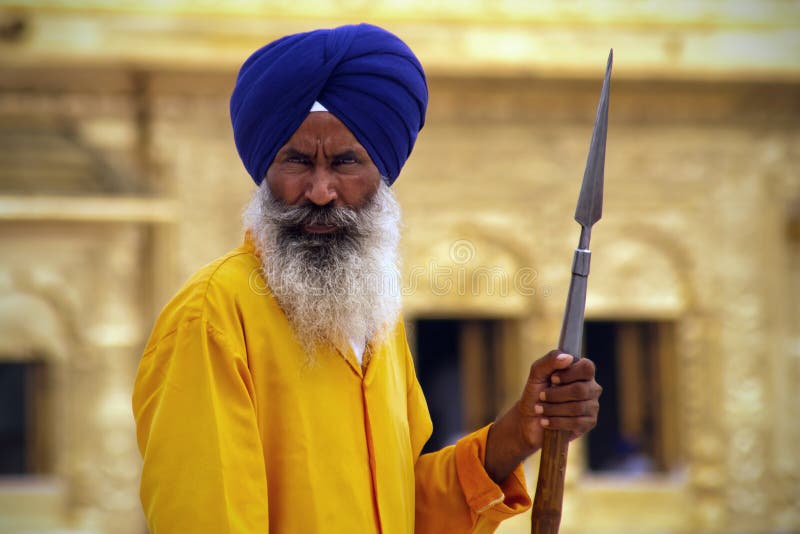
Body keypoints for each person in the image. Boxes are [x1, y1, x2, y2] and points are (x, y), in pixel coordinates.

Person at [132, 23, 601, 534]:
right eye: (295, 161)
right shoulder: (214, 316)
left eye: (344, 162)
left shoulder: (373, 312)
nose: (319, 190)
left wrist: (520, 432)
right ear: (265, 170)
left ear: (381, 172)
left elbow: (401, 508)